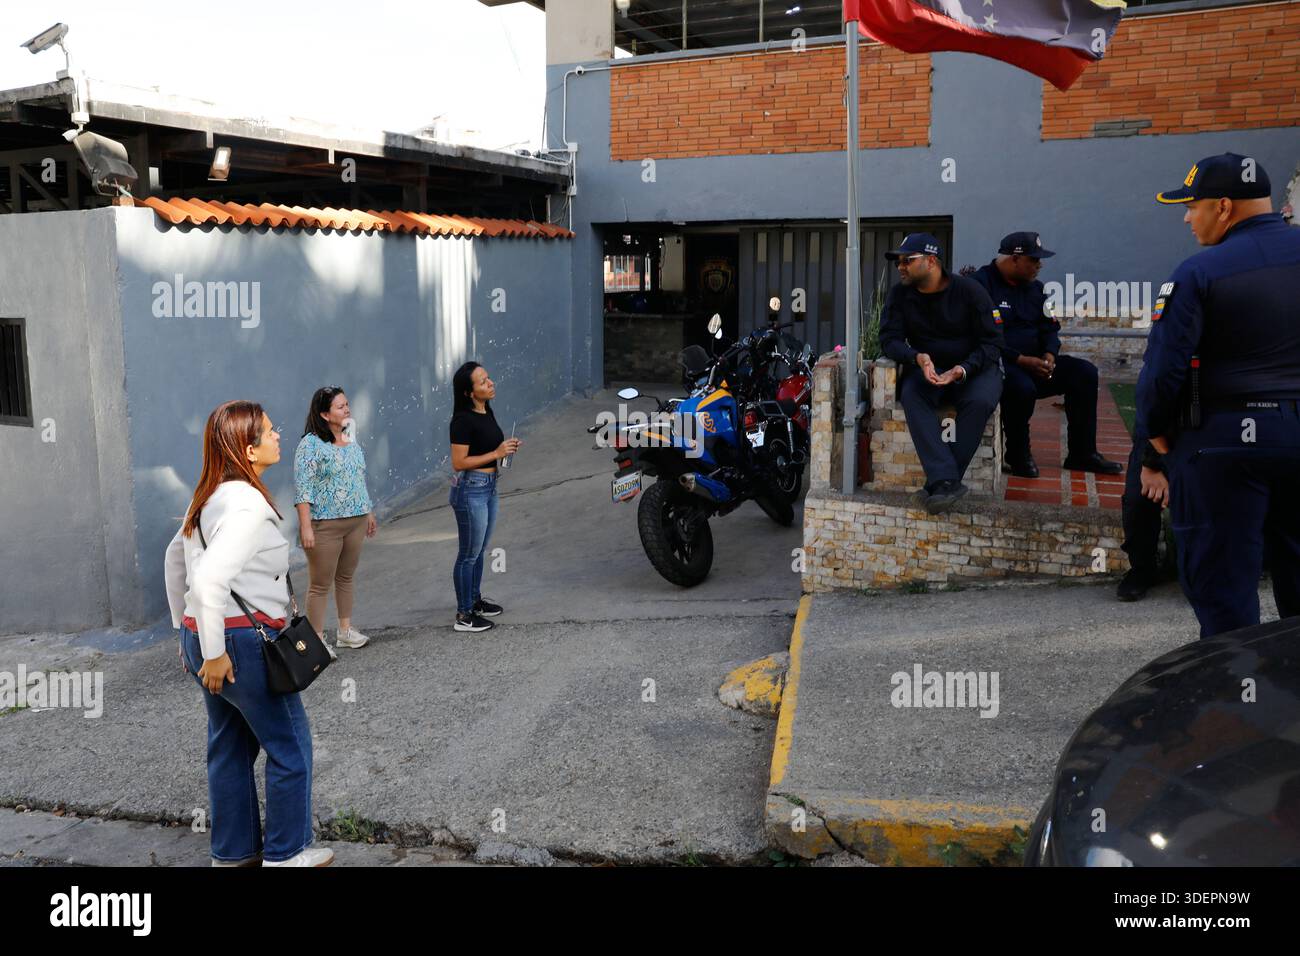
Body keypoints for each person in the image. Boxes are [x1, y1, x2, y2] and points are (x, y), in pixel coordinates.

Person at [1137, 152, 1300, 637]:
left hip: (1222, 443)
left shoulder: (1198, 272)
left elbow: (1162, 376)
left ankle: (1239, 701)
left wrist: (1159, 442)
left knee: (1224, 596)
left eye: (1193, 206)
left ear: (1224, 207)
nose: (1188, 218)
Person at [164, 401, 332, 867]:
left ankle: (234, 853)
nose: (279, 435)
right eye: (269, 431)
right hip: (240, 645)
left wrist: (188, 633)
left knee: (230, 746)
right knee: (290, 745)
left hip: (212, 636)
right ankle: (287, 852)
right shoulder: (245, 502)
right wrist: (213, 652)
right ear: (248, 448)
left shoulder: (210, 495)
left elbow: (175, 560)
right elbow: (211, 579)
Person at [970, 232, 1122, 478]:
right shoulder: (979, 286)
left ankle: (1082, 454)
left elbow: (1050, 327)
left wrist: (1050, 354)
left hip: (1036, 364)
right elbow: (980, 336)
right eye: (1034, 260)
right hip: (1000, 364)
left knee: (1084, 373)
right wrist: (1019, 359)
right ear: (1015, 258)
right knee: (1022, 388)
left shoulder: (1037, 289)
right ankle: (1018, 455)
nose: (1040, 265)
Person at [880, 232, 1004, 514]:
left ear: (931, 261)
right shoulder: (900, 295)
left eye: (907, 261)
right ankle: (946, 482)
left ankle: (940, 483)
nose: (900, 267)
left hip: (975, 368)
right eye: (898, 262)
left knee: (980, 401)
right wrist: (917, 357)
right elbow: (889, 339)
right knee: (912, 395)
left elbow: (993, 343)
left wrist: (962, 370)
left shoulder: (970, 292)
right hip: (929, 369)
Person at [294, 386, 377, 649]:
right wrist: (306, 526)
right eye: (340, 407)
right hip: (325, 525)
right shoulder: (309, 444)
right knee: (320, 584)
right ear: (324, 414)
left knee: (346, 576)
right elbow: (303, 488)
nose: (347, 410)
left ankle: (345, 630)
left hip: (356, 519)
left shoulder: (349, 435)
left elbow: (357, 475)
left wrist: (369, 511)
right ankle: (316, 640)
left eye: (347, 404)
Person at [449, 362, 520, 631]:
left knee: (478, 552)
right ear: (469, 392)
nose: (490, 383)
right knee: (468, 554)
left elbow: (491, 449)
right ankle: (464, 615)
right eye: (482, 382)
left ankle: (474, 600)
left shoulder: (485, 410)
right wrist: (496, 453)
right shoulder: (462, 421)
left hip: (489, 486)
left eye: (488, 378)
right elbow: (459, 462)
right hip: (471, 490)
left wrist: (505, 450)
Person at [1117, 437, 1167, 601]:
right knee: (1137, 501)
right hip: (1154, 435)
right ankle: (1142, 568)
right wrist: (1151, 464)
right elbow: (1152, 417)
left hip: (1202, 434)